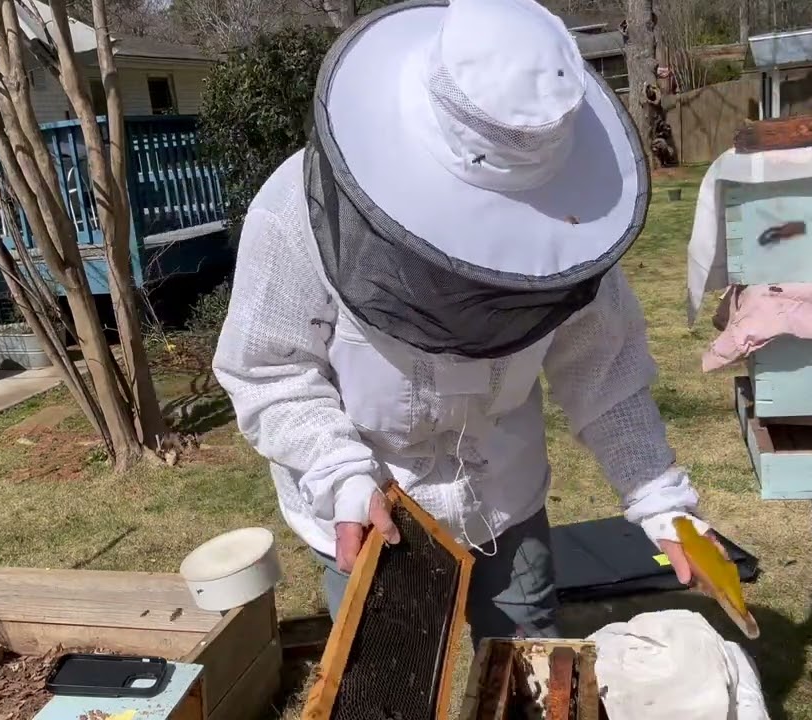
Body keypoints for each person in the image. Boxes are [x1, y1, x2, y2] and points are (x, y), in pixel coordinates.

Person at [212, 0, 722, 645]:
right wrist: (341, 474)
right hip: (370, 511)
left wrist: (660, 501)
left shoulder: (571, 233)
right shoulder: (298, 208)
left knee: (524, 666)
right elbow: (269, 369)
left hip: (504, 499)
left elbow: (607, 372)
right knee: (387, 678)